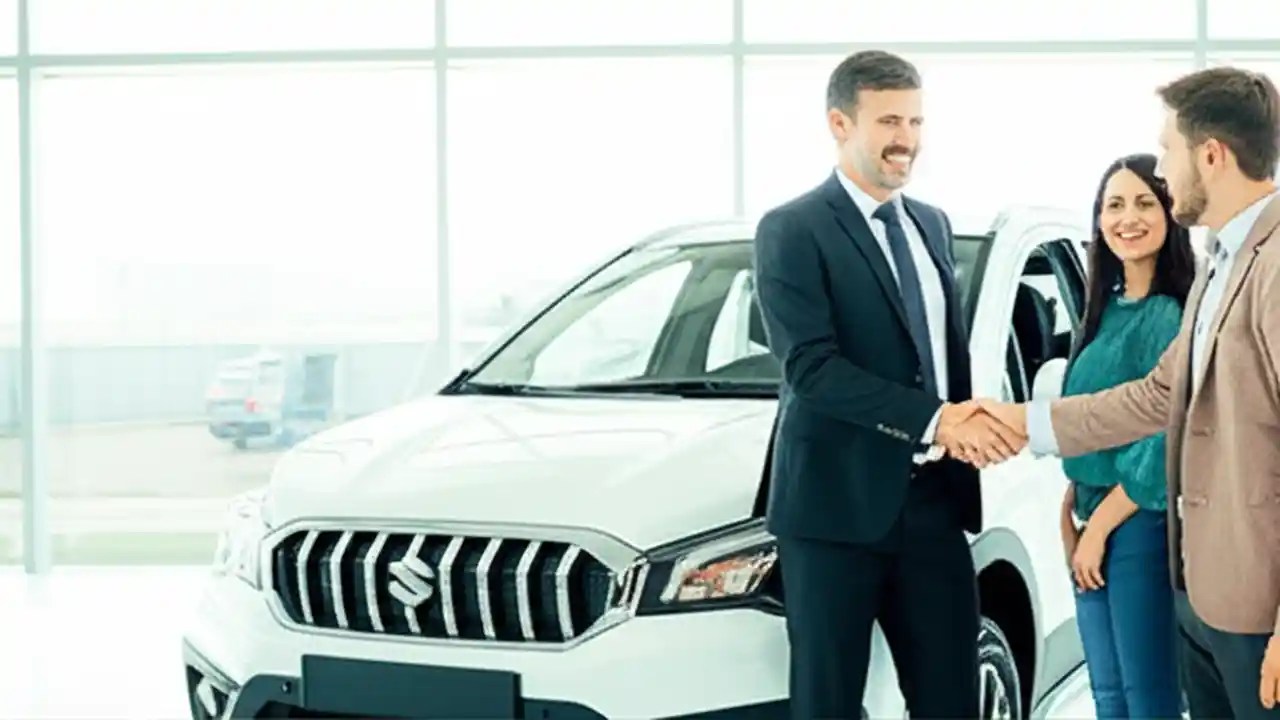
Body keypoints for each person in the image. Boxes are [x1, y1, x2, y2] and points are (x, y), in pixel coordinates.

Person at [979, 66, 1280, 719]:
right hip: (1204, 594)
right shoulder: (1221, 265)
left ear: (1212, 155)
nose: (1163, 174)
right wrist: (1018, 422)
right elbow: (1152, 397)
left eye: (1167, 151)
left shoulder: (1275, 263)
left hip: (1259, 606)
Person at [752, 49, 1024, 719]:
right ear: (840, 124)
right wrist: (937, 418)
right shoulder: (791, 229)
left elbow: (939, 358)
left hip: (934, 504)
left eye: (916, 121)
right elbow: (810, 368)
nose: (907, 139)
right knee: (829, 703)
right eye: (889, 121)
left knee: (950, 699)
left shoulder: (931, 224)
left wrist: (961, 425)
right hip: (832, 512)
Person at [1056, 153, 1195, 719]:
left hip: (1137, 524)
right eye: (1114, 205)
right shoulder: (1103, 312)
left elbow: (1161, 439)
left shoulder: (1167, 314)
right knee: (1109, 696)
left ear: (1169, 215)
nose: (1127, 218)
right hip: (1093, 519)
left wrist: (1101, 528)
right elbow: (1083, 416)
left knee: (1149, 699)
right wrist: (1071, 510)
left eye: (1144, 202)